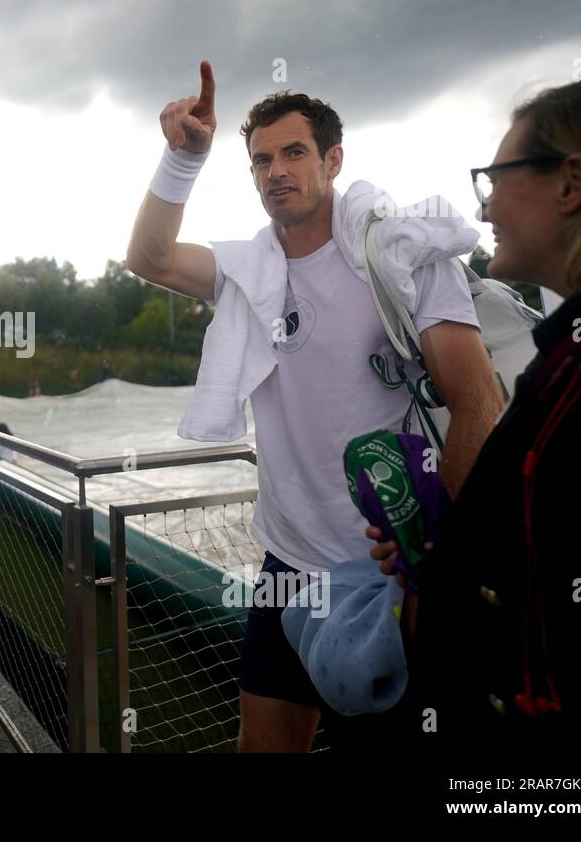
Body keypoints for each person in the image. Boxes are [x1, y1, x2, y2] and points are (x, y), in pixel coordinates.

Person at [126, 61, 503, 752]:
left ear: (333, 159)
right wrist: (183, 158)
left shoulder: (402, 255)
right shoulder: (249, 273)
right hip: (288, 562)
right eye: (260, 160)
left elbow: (479, 403)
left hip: (390, 567)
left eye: (294, 152)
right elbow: (148, 258)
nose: (275, 170)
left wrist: (432, 563)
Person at [368, 71, 581, 750]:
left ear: (572, 184)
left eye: (495, 179)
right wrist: (449, 545)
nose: (483, 212)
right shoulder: (573, 348)